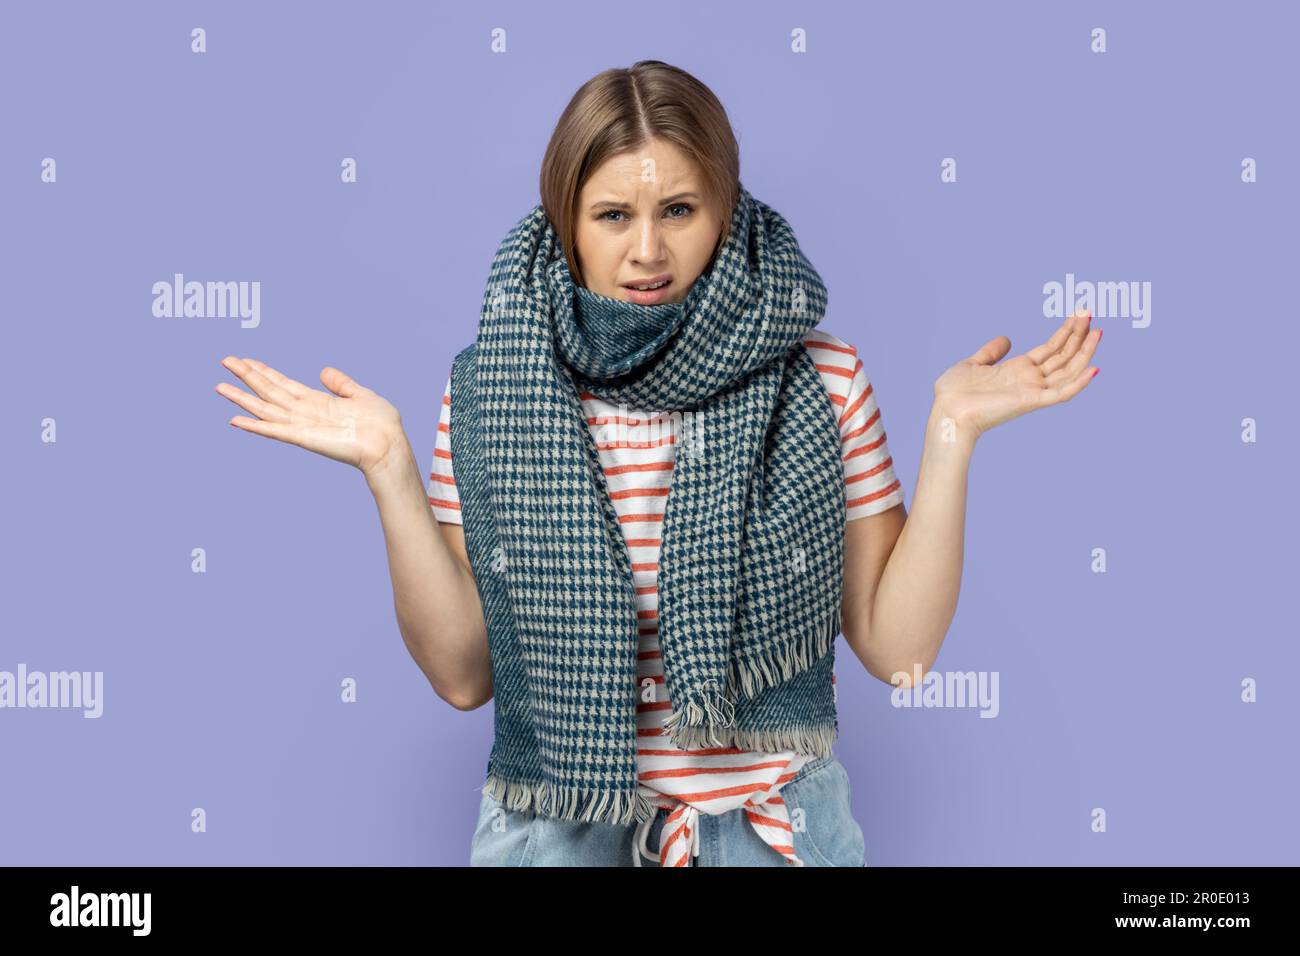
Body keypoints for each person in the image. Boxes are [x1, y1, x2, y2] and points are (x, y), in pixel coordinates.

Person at [214, 60, 1101, 868]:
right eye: (613, 215)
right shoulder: (492, 389)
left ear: (725, 205)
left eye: (678, 209)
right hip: (558, 836)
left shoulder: (820, 378)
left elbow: (898, 652)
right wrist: (389, 469)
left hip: (773, 837)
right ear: (567, 219)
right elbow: (461, 677)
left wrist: (951, 434)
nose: (647, 251)